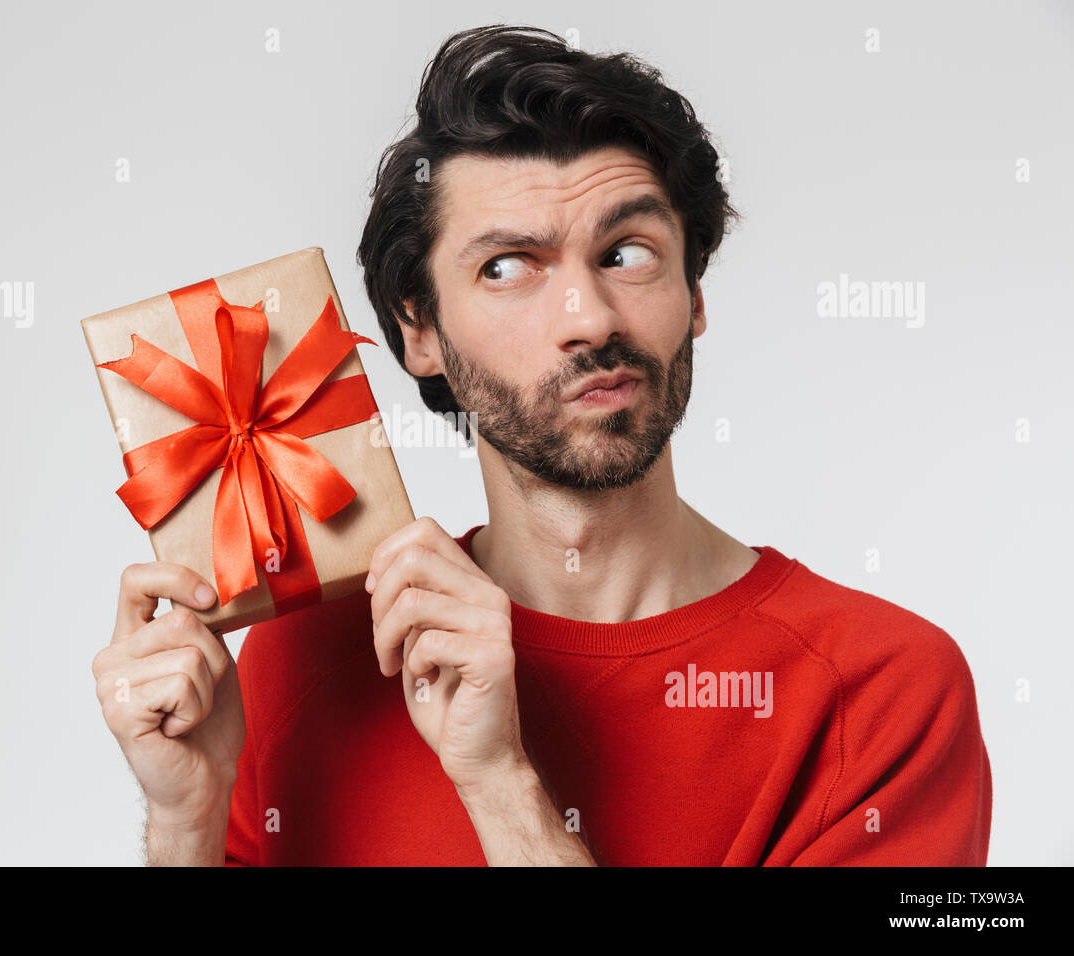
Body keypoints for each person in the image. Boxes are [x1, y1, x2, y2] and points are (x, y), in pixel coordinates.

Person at [92, 24, 991, 866]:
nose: (589, 318)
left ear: (696, 293)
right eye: (507, 267)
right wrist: (187, 820)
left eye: (628, 252)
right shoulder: (313, 656)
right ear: (421, 332)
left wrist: (501, 784)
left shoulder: (884, 690)